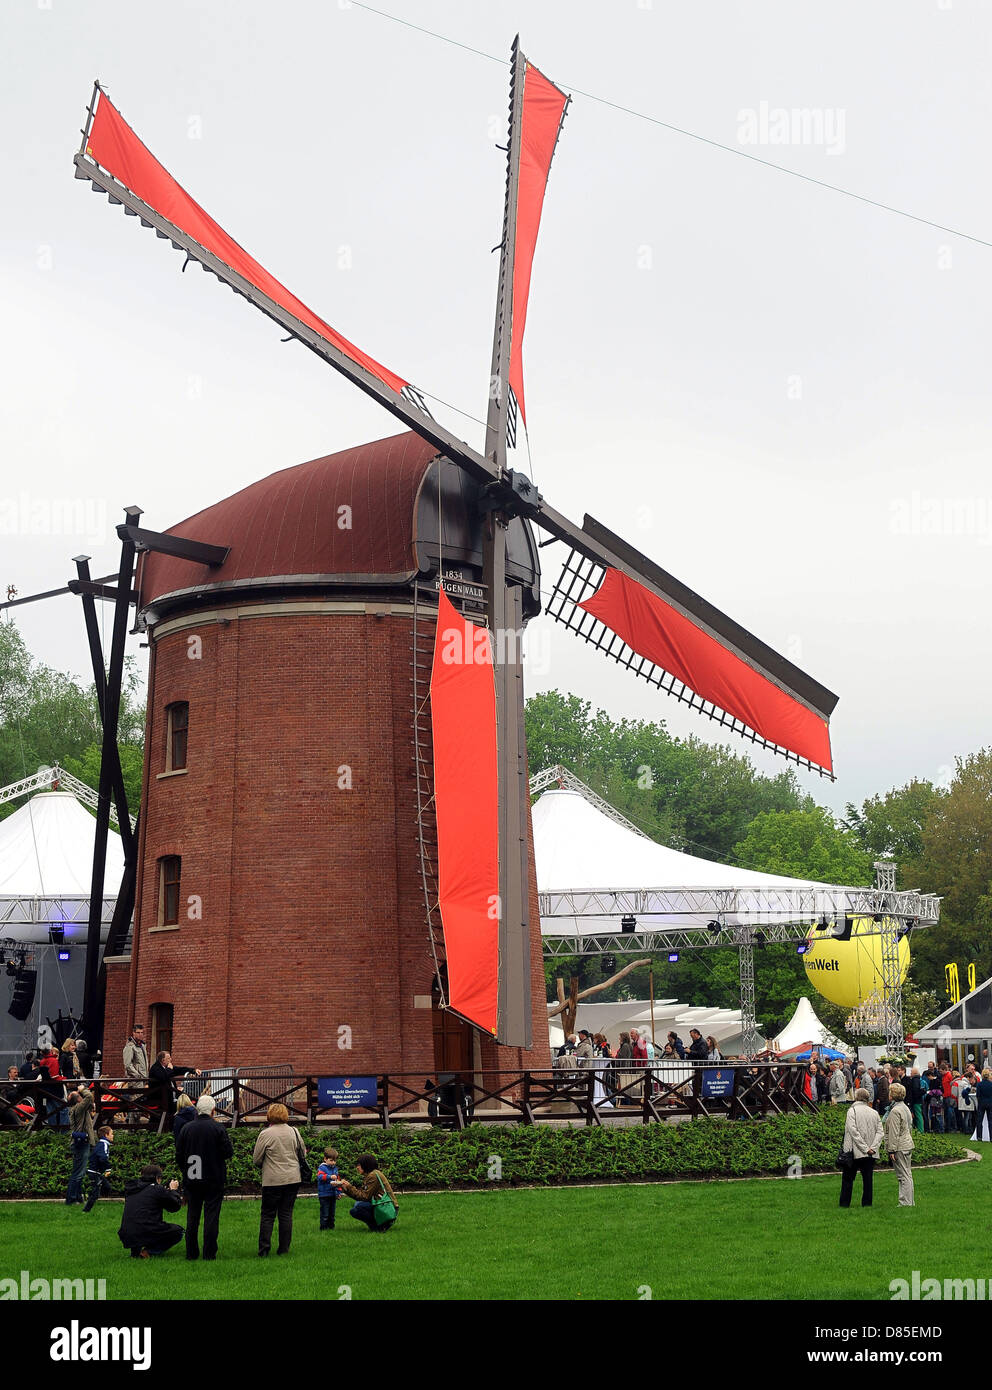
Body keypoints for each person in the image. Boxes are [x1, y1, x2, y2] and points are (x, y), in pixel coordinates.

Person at [175, 1094, 233, 1261]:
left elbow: (179, 1155)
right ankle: (209, 1253)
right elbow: (228, 1152)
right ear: (213, 1111)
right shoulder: (218, 1128)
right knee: (211, 1216)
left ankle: (191, 1253)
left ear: (197, 1110)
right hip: (214, 1178)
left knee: (192, 1216)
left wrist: (185, 1171)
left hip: (192, 1177)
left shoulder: (187, 1128)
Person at [252, 1103, 308, 1256]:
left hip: (272, 1180)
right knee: (286, 1214)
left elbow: (256, 1159)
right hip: (292, 1178)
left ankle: (264, 1249)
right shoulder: (294, 1132)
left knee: (268, 1214)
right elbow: (303, 1153)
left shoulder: (265, 1134)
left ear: (269, 1115)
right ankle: (284, 1249)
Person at [118, 1164, 184, 1258]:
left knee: (139, 1224)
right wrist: (174, 1190)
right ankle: (149, 1251)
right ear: (157, 1178)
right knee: (178, 1232)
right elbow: (174, 1207)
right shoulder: (156, 1189)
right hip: (147, 1229)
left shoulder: (132, 1188)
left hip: (126, 1232)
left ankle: (136, 1252)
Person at [839, 1089, 884, 1208]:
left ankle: (844, 1203)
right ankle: (867, 1203)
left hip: (854, 1151)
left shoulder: (852, 1111)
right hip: (870, 1152)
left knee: (848, 1179)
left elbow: (853, 1131)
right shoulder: (874, 1112)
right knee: (868, 1179)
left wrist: (865, 1148)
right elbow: (880, 1132)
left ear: (856, 1097)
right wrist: (872, 1148)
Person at [332, 1153, 398, 1232]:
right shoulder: (372, 1174)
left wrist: (349, 1187)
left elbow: (364, 1196)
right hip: (385, 1205)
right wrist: (345, 1187)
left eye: (359, 1165)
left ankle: (378, 1227)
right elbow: (363, 1194)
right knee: (358, 1204)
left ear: (365, 1165)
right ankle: (379, 1225)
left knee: (356, 1209)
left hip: (387, 1209)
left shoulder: (373, 1176)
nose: (357, 1167)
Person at [148, 1051, 202, 1129]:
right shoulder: (155, 1068)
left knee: (191, 1104)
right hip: (161, 1100)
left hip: (171, 1098)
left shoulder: (167, 1068)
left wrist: (193, 1070)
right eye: (168, 1058)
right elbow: (163, 1077)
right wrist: (170, 1069)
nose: (171, 1059)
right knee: (159, 1120)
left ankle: (187, 1127)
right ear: (163, 1060)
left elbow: (179, 1069)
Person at [884, 1082, 915, 1206]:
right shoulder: (904, 1107)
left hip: (900, 1146)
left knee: (903, 1176)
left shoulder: (895, 1110)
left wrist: (891, 1150)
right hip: (906, 1143)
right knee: (907, 1174)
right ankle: (909, 1201)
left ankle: (905, 1202)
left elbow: (894, 1132)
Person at [65, 1084, 96, 1205]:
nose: (81, 1096)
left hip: (80, 1142)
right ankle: (71, 1198)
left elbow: (90, 1101)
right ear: (77, 1099)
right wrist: (82, 1089)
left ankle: (78, 1197)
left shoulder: (77, 1109)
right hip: (81, 1143)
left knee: (78, 1171)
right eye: (79, 1095)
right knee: (79, 1173)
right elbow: (89, 1098)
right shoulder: (78, 1108)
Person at [82, 1125, 114, 1212]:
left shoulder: (102, 1144)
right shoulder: (103, 1144)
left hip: (96, 1172)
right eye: (111, 1134)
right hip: (94, 1172)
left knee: (107, 1187)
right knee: (96, 1193)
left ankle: (90, 1194)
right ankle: (86, 1210)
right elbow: (103, 1158)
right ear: (106, 1135)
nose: (113, 1136)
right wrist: (108, 1168)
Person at [316, 1146, 340, 1231]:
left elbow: (337, 1181)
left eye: (335, 1160)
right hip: (324, 1194)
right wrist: (330, 1176)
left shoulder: (335, 1169)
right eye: (331, 1160)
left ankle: (331, 1227)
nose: (333, 1162)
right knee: (325, 1213)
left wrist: (338, 1192)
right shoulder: (322, 1168)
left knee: (332, 1213)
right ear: (325, 1159)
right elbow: (320, 1177)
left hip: (332, 1194)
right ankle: (323, 1228)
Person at [973, 1068, 992, 1141]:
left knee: (979, 1121)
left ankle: (979, 1136)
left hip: (981, 1103)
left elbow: (978, 1095)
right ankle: (991, 1137)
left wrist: (980, 1100)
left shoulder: (979, 1084)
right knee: (990, 1121)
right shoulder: (991, 1084)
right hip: (990, 1103)